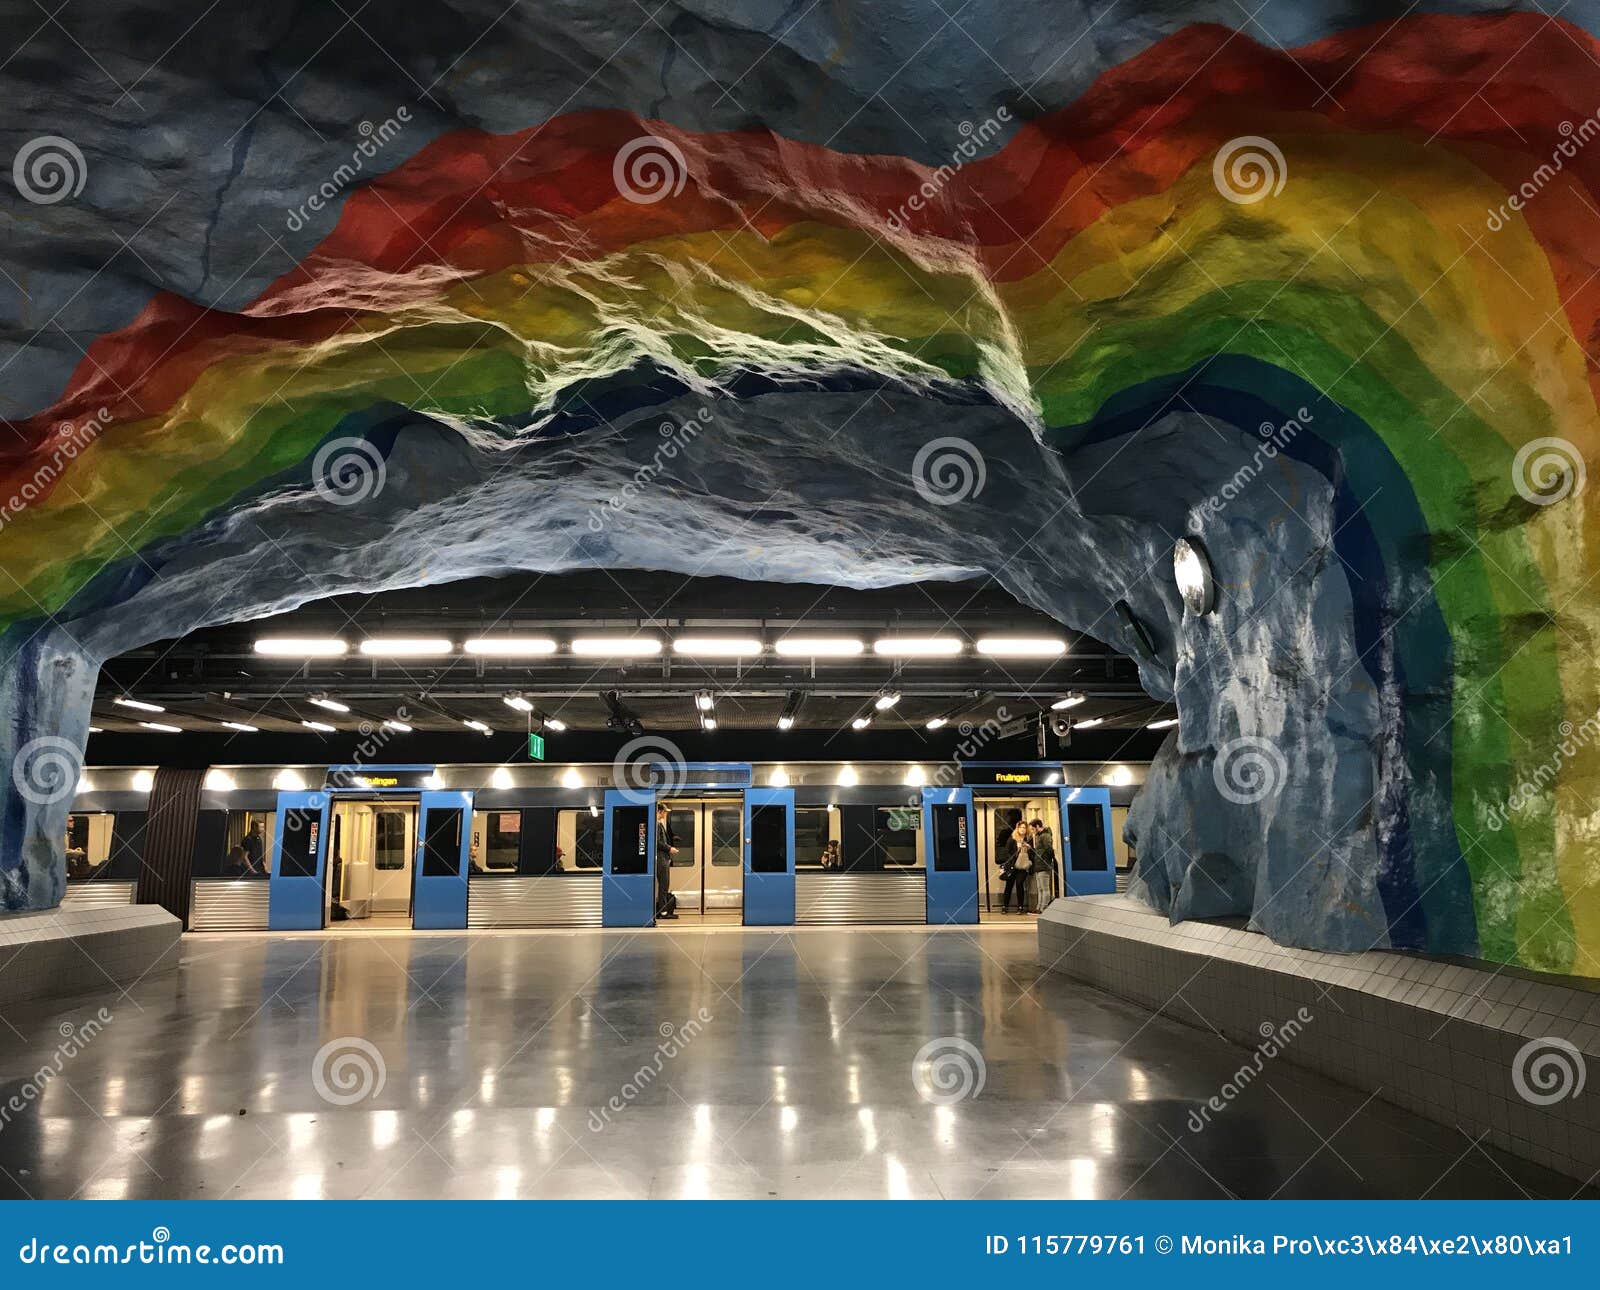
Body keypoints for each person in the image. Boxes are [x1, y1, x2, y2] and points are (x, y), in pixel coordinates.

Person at [1002, 821, 1033, 913]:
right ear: (1017, 828)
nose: (1023, 829)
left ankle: (1020, 907)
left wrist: (1029, 849)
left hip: (1023, 866)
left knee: (1019, 885)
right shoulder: (1012, 838)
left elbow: (1032, 853)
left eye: (1024, 827)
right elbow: (1006, 852)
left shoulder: (1028, 839)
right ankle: (1005, 906)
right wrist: (1017, 851)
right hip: (1012, 866)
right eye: (1021, 827)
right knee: (1009, 885)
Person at [655, 804, 679, 919]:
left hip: (664, 859)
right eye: (665, 812)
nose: (666, 814)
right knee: (663, 886)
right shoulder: (656, 825)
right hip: (660, 859)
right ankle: (663, 912)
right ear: (660, 812)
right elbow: (657, 842)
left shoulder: (659, 825)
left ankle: (664, 910)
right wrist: (670, 848)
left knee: (665, 885)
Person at [1028, 818, 1056, 912]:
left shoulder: (1045, 836)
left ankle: (1044, 908)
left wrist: (1045, 860)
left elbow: (1049, 849)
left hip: (1044, 865)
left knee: (1045, 888)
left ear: (1037, 826)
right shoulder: (1039, 836)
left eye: (1032, 829)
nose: (1032, 831)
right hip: (1039, 865)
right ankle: (1038, 907)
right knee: (1040, 888)